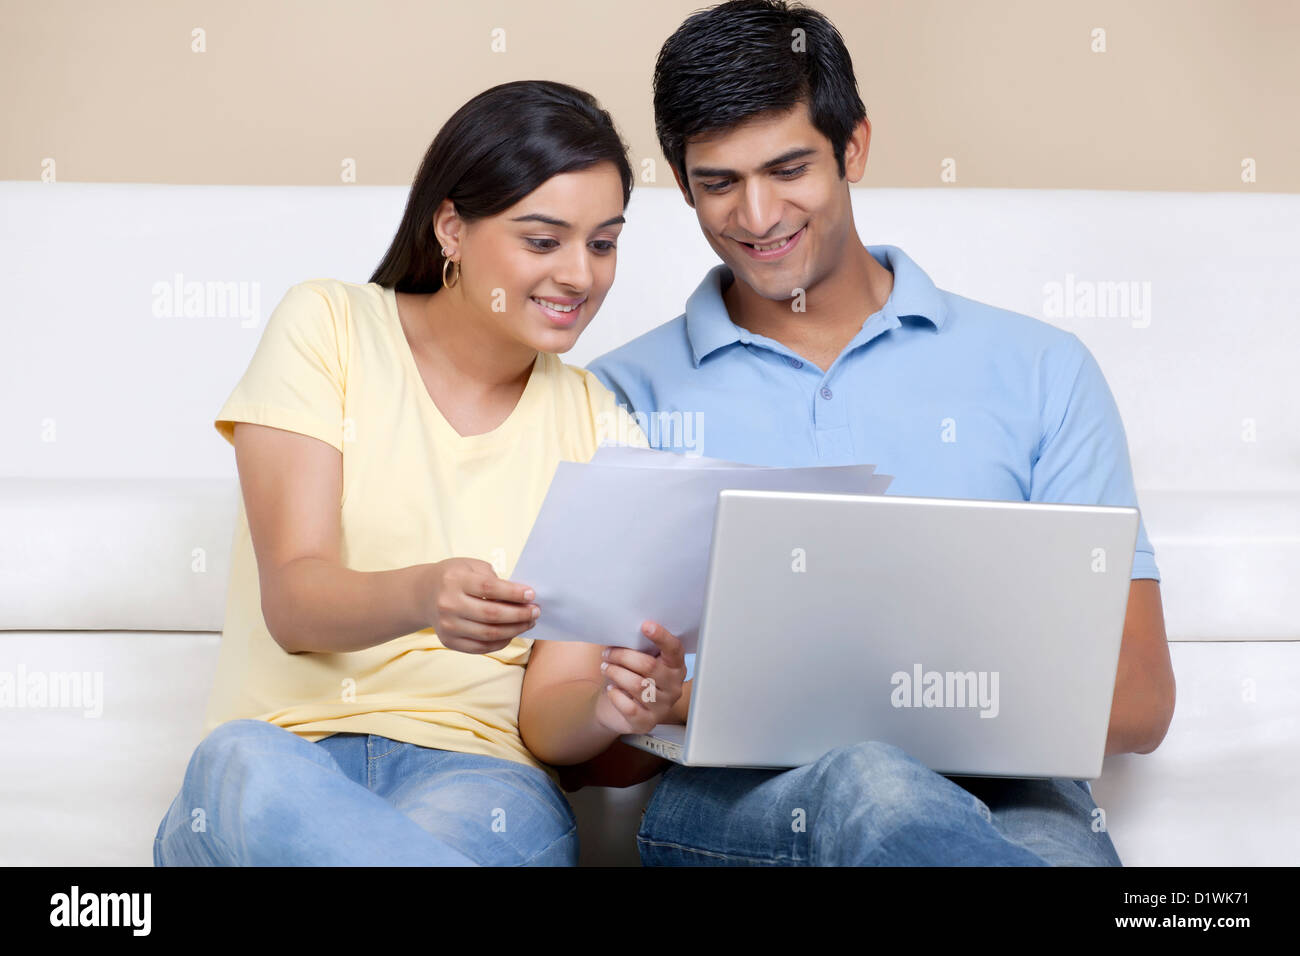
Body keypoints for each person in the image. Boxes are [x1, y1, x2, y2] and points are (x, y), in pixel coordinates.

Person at [522, 0, 1175, 865]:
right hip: (740, 802)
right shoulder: (622, 396)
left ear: (854, 147)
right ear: (681, 186)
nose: (757, 216)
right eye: (718, 182)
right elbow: (570, 734)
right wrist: (675, 700)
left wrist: (906, 697)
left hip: (1021, 807)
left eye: (789, 168)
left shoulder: (1042, 371)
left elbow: (1138, 701)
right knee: (874, 780)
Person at [152, 79, 663, 866]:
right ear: (452, 227)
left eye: (603, 243)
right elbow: (294, 599)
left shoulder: (603, 432)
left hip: (483, 782)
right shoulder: (327, 326)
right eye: (542, 240)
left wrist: (610, 705)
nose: (579, 276)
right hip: (285, 761)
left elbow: (545, 719)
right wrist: (425, 594)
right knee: (239, 764)